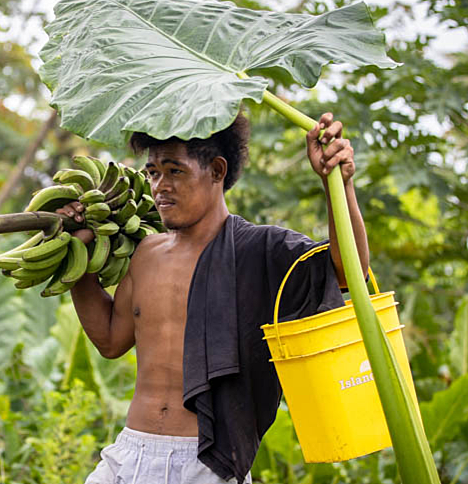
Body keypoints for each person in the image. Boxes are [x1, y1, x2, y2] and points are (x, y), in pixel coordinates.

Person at [57, 112, 370, 484]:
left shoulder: (259, 249)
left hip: (208, 464)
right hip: (131, 453)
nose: (160, 186)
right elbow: (110, 341)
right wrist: (78, 264)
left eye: (175, 171)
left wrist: (338, 182)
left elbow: (349, 271)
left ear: (217, 171)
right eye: (154, 172)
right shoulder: (146, 254)